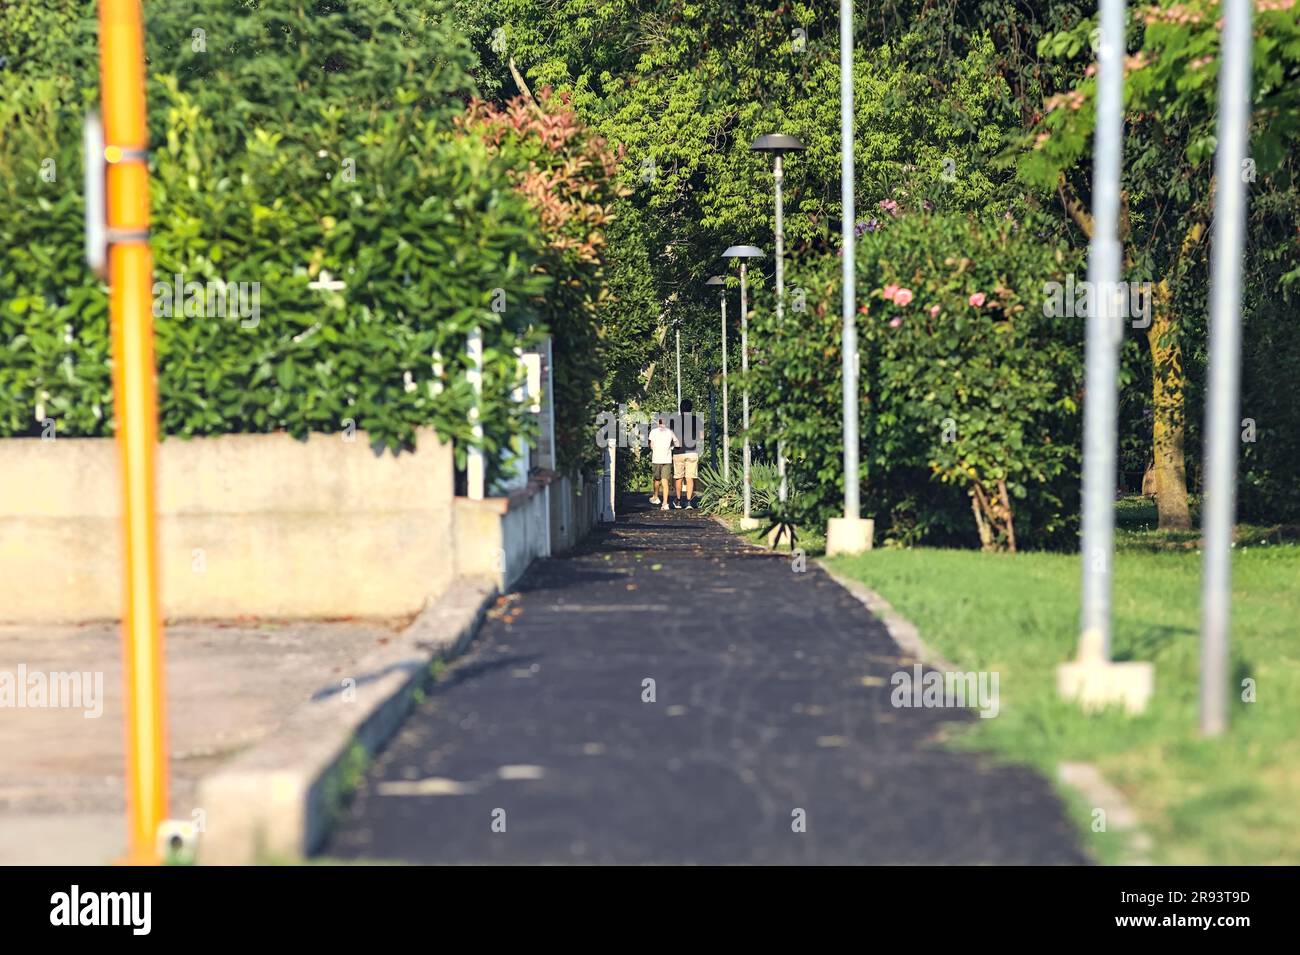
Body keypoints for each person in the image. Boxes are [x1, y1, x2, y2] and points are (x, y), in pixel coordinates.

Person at [671, 398, 702, 509]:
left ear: (680, 408)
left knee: (678, 477)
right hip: (692, 451)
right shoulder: (696, 420)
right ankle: (689, 502)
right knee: (690, 478)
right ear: (691, 408)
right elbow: (702, 436)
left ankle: (678, 501)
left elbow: (671, 436)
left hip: (678, 452)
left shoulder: (674, 420)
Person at [647, 414, 679, 511]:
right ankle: (665, 503)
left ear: (658, 422)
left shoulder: (653, 432)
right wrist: (671, 447)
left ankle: (656, 497)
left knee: (657, 479)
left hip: (656, 459)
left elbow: (651, 446)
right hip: (667, 460)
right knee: (665, 481)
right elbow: (677, 443)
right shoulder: (670, 432)